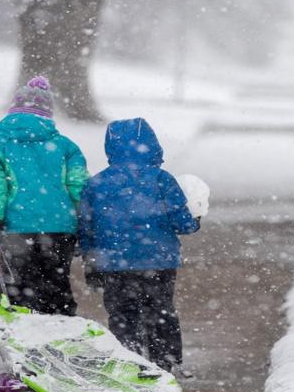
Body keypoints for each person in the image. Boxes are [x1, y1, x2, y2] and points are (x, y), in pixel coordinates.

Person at [77, 118, 201, 375]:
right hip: (158, 261)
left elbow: (86, 228)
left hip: (113, 263)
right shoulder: (162, 180)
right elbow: (183, 224)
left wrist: (91, 263)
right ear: (153, 145)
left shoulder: (96, 184)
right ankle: (166, 363)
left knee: (122, 314)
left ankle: (131, 362)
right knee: (160, 311)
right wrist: (195, 220)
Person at [0, 76, 89, 315]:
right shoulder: (67, 147)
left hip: (15, 230)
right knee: (57, 290)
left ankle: (26, 341)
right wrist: (85, 223)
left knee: (17, 294)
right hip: (60, 229)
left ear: (13, 110)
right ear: (48, 114)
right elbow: (79, 187)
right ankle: (61, 335)